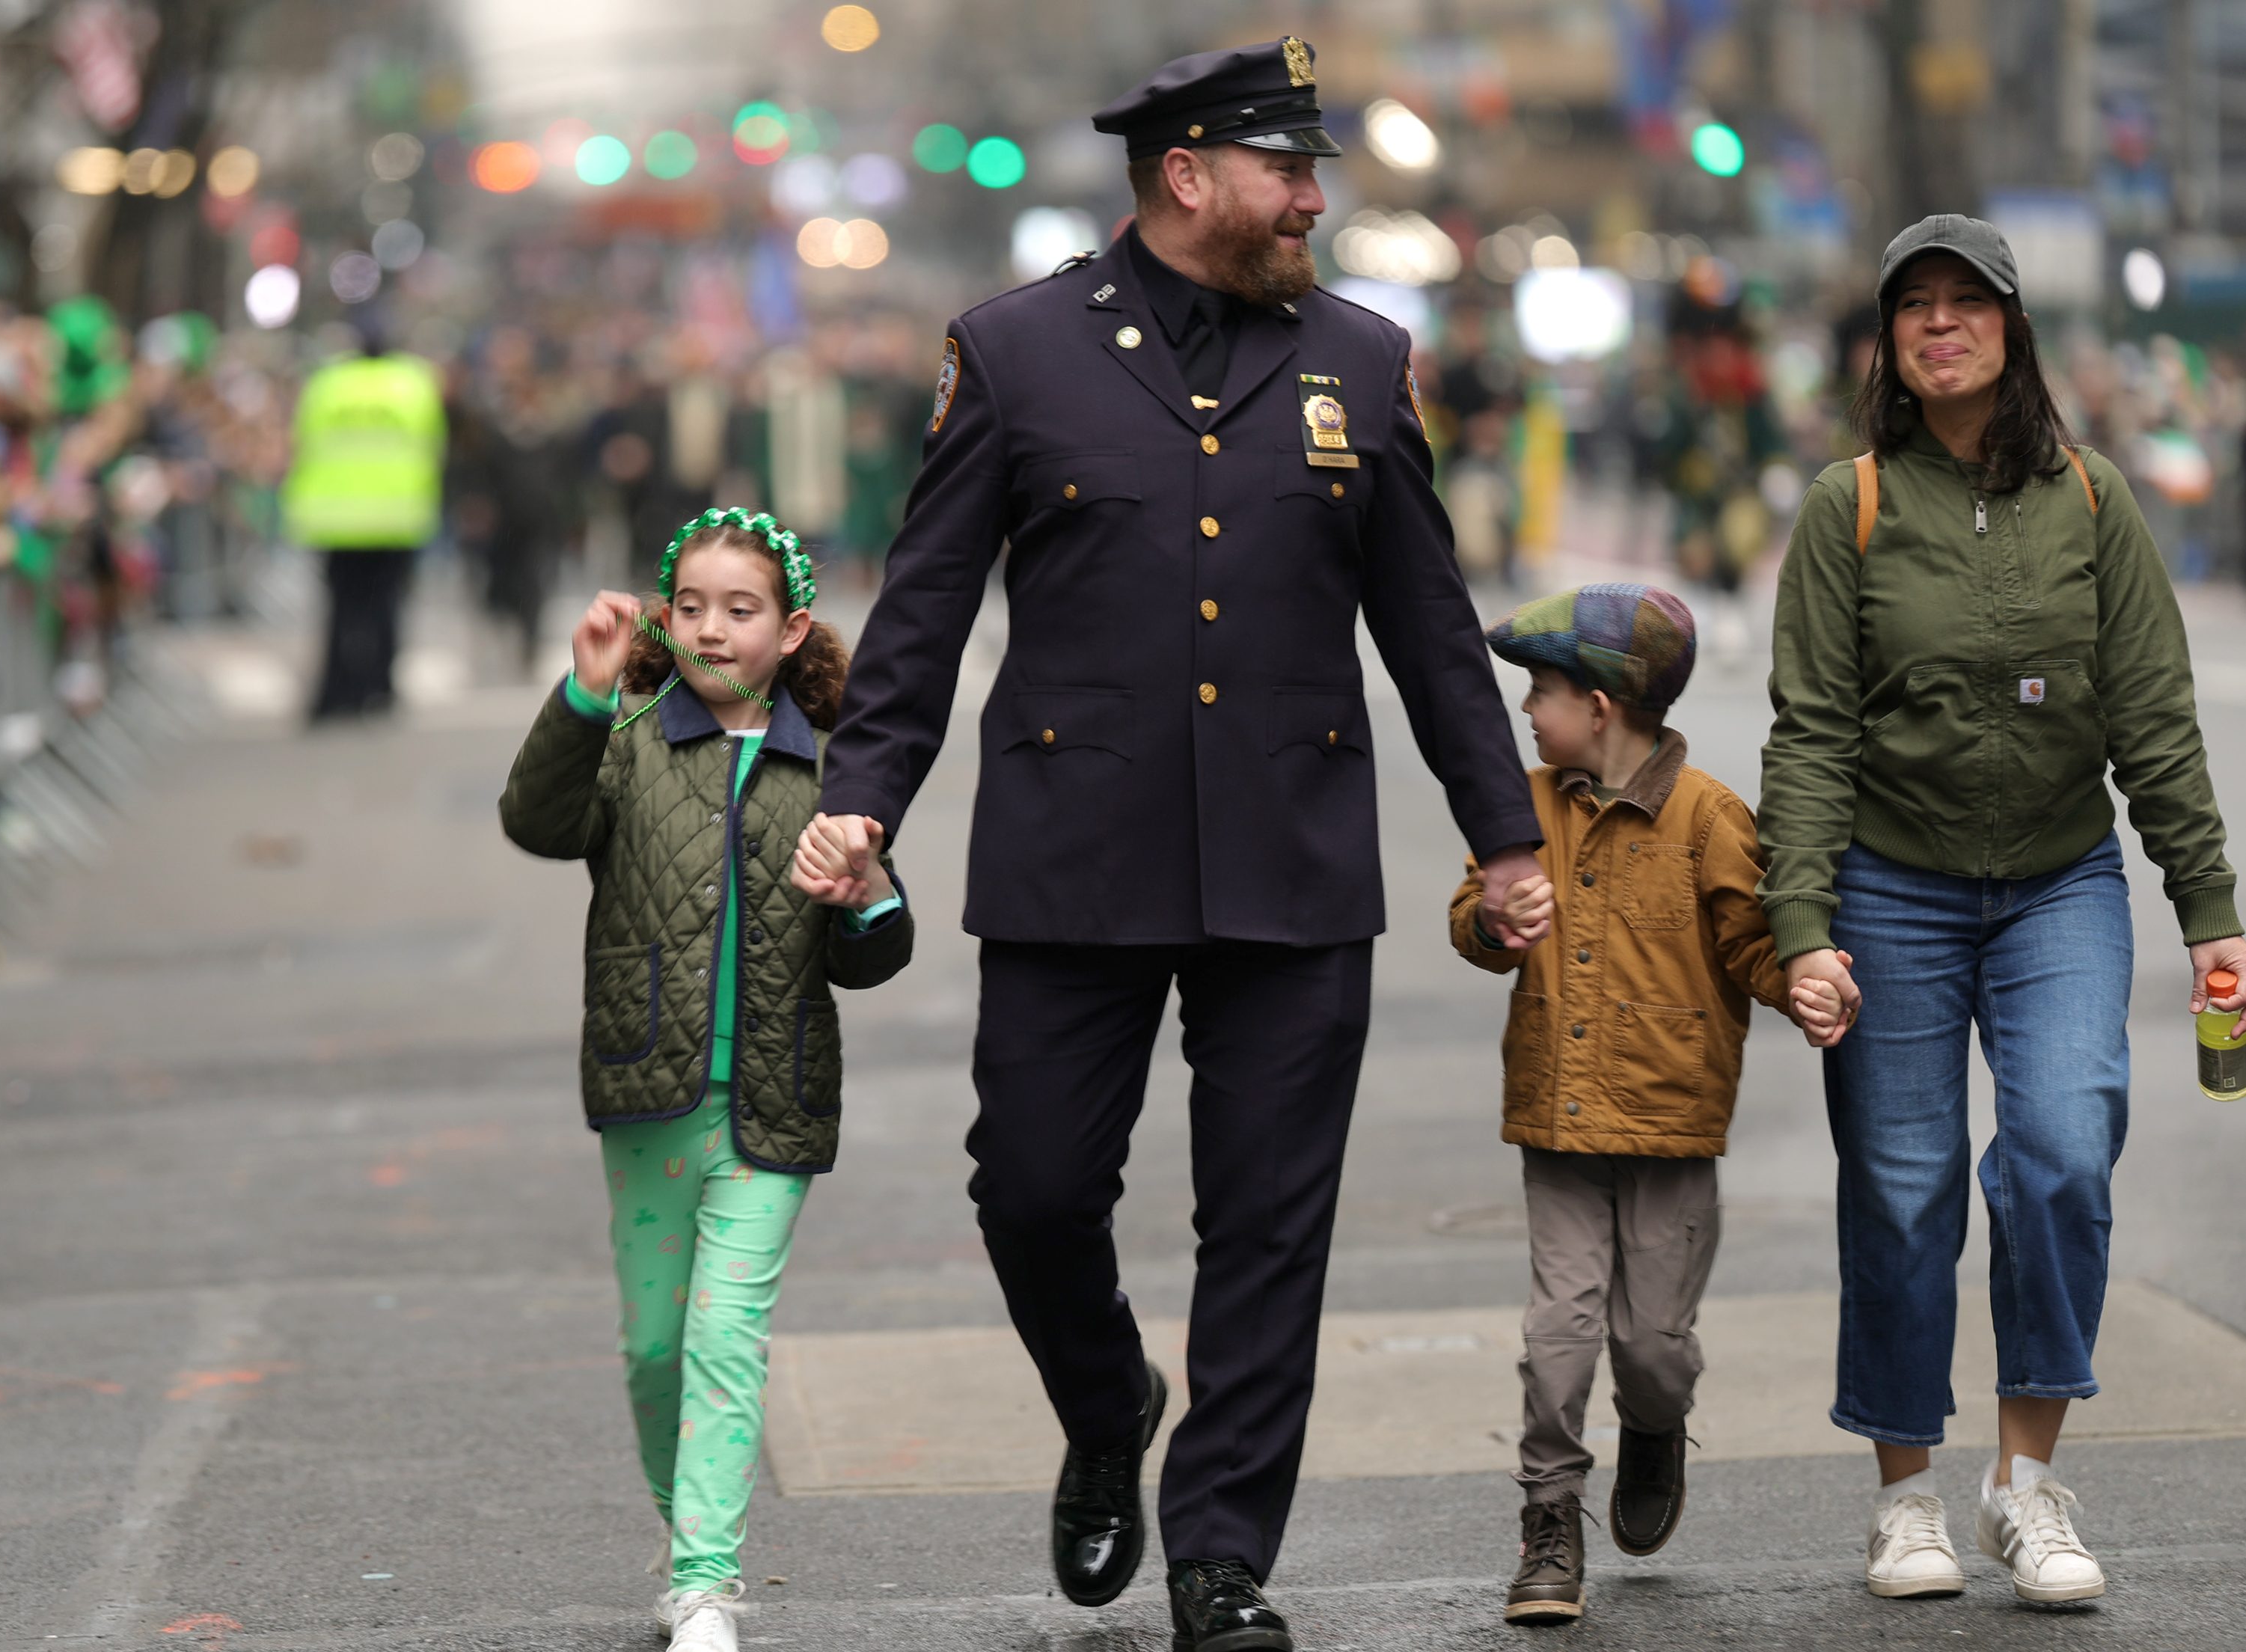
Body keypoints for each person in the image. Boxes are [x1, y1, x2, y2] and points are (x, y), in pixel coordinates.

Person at [793, 37, 1545, 1652]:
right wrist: (862, 797)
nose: (1310, 198)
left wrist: (1504, 834)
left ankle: (1220, 1559)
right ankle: (1103, 1398)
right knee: (1036, 1190)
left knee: (1269, 1223)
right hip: (1076, 855)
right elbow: (923, 610)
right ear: (1186, 176)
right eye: (1286, 170)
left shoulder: (1360, 354)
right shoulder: (1013, 352)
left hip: (1292, 853)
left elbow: (1426, 620)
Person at [1763, 214, 2246, 1605]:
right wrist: (1803, 927)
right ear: (1888, 343)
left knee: (2059, 1146)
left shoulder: (2094, 500)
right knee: (1903, 1187)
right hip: (1889, 884)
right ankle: (1904, 1497)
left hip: (2059, 882)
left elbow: (2153, 717)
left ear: (2013, 330)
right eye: (1912, 305)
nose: (1938, 323)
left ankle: (2023, 1486)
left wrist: (2206, 905)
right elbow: (1808, 737)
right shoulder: (1843, 506)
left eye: (1966, 302)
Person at [498, 507, 913, 1652]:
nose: (712, 629)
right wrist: (580, 699)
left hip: (774, 1102)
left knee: (727, 1335)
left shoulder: (830, 764)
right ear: (664, 618)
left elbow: (872, 954)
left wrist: (868, 887)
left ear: (791, 633)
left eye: (741, 611)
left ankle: (706, 1586)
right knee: (652, 1348)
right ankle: (687, 1536)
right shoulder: (627, 739)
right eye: (690, 607)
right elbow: (534, 822)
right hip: (646, 1088)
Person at [1449, 585, 1790, 1622]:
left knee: (1651, 1347)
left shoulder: (1709, 818)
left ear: (1600, 706)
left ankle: (1653, 1428)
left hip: (1670, 1125)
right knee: (1558, 1333)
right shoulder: (1524, 806)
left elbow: (1751, 942)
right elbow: (1471, 911)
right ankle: (1549, 1520)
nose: (1526, 710)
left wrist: (1805, 975)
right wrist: (1495, 920)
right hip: (1557, 1119)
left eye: (1541, 691)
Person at [285, 327, 444, 721]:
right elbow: (435, 445)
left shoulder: (327, 385)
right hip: (397, 516)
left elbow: (301, 441)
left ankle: (339, 692)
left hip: (336, 518)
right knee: (386, 606)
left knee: (341, 608)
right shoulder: (412, 383)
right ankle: (380, 687)